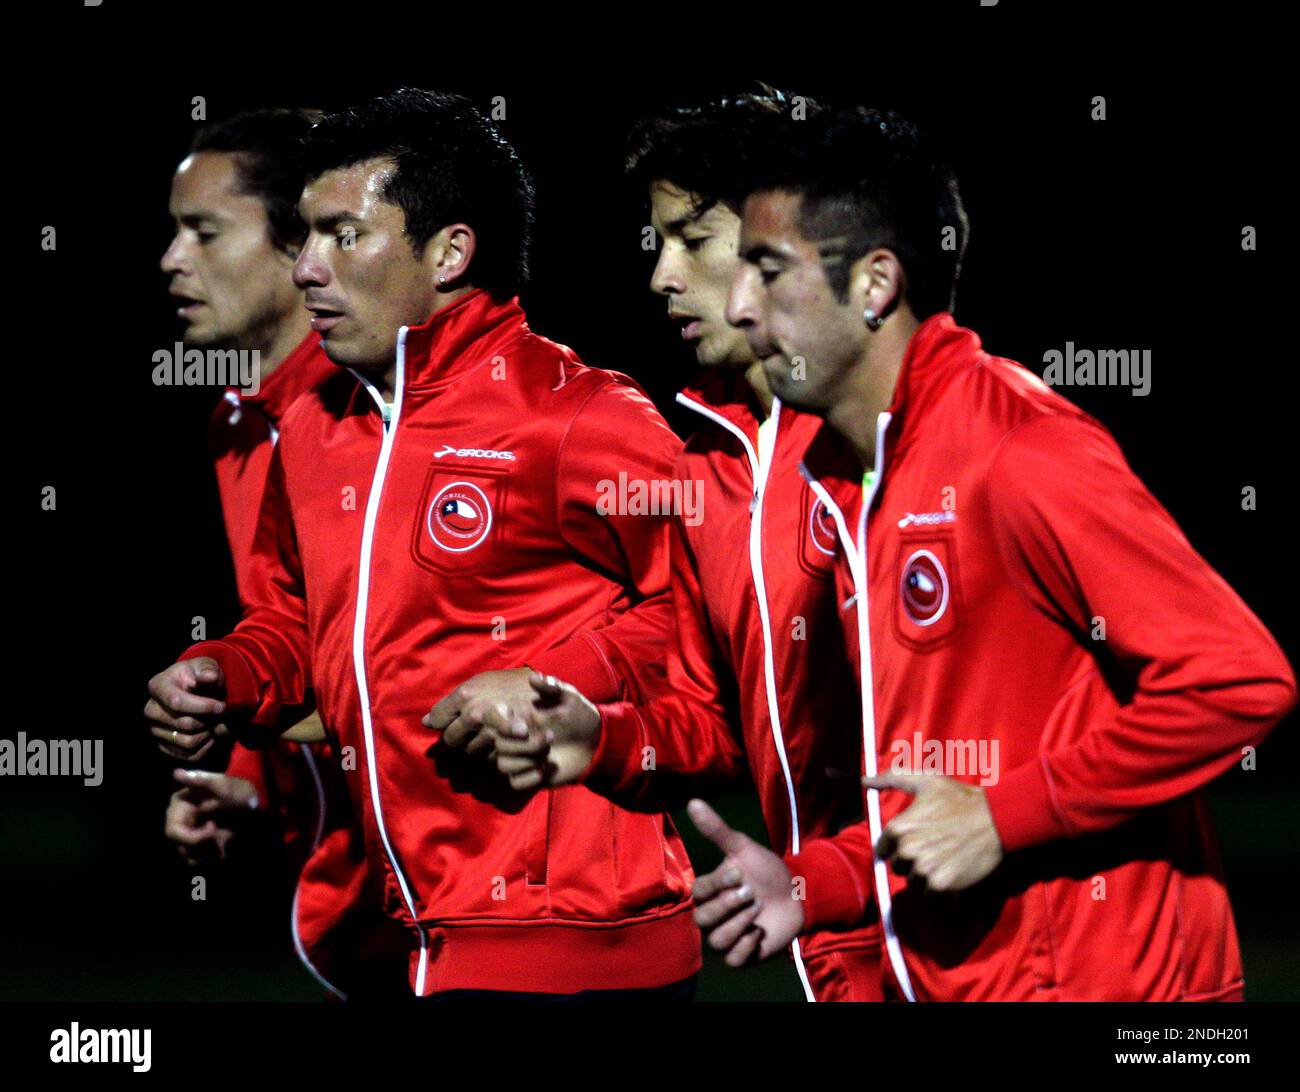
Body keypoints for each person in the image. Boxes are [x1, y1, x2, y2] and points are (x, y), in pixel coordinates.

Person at [688, 105, 1296, 1000]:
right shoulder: (857, 480)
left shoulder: (1018, 448)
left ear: (875, 284)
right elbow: (947, 784)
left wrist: (1010, 818)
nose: (741, 307)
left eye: (769, 271)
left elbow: (1239, 680)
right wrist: (820, 883)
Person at [145, 88, 698, 998]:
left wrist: (559, 682)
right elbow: (295, 622)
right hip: (415, 934)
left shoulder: (577, 412)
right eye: (306, 237)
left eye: (342, 236)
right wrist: (227, 674)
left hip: (574, 937)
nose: (308, 269)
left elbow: (710, 613)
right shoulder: (321, 429)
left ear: (449, 253)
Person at [453, 90, 885, 1001]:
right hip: (843, 954)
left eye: (695, 237)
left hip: (1015, 959)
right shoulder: (712, 467)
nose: (662, 276)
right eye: (664, 241)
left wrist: (998, 813)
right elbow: (713, 719)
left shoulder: (932, 438)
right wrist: (594, 736)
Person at [159, 108, 402, 999]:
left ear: (299, 241)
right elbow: (297, 633)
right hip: (352, 897)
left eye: (204, 231)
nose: (172, 261)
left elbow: (410, 665)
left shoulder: (384, 415)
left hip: (461, 897)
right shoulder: (236, 419)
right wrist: (256, 780)